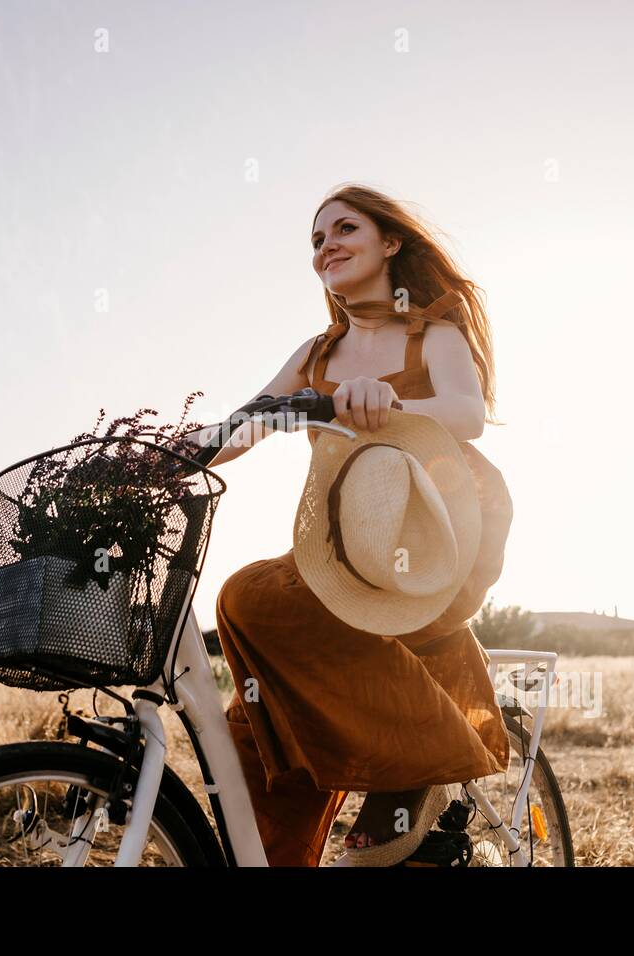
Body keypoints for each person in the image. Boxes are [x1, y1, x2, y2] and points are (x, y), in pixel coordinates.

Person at [178, 184, 513, 866]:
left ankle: (417, 762)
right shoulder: (316, 355)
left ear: (390, 242)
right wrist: (150, 458)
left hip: (441, 531)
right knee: (255, 679)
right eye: (315, 238)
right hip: (349, 550)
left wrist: (391, 402)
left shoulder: (434, 333)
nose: (325, 244)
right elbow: (245, 426)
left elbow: (469, 414)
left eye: (344, 228)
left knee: (249, 597)